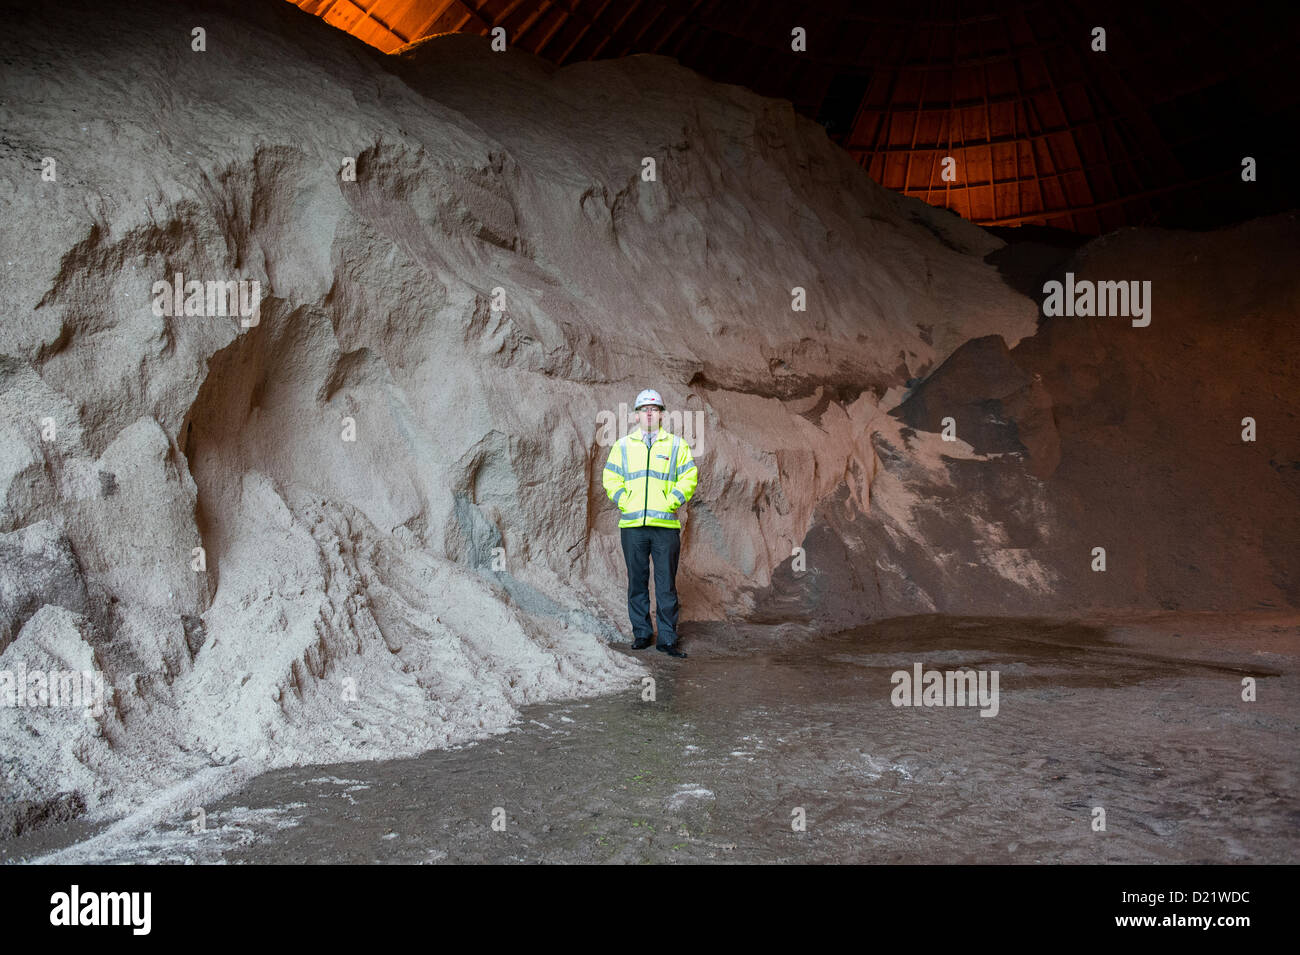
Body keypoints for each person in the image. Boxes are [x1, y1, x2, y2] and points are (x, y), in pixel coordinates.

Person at [602, 389, 698, 658]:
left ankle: (667, 638)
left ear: (662, 415)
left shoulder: (677, 445)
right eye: (643, 409)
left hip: (665, 527)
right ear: (635, 416)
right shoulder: (622, 446)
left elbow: (689, 476)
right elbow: (611, 477)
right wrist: (624, 500)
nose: (648, 413)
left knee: (666, 584)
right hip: (632, 526)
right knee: (637, 581)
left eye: (654, 409)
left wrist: (672, 501)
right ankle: (642, 633)